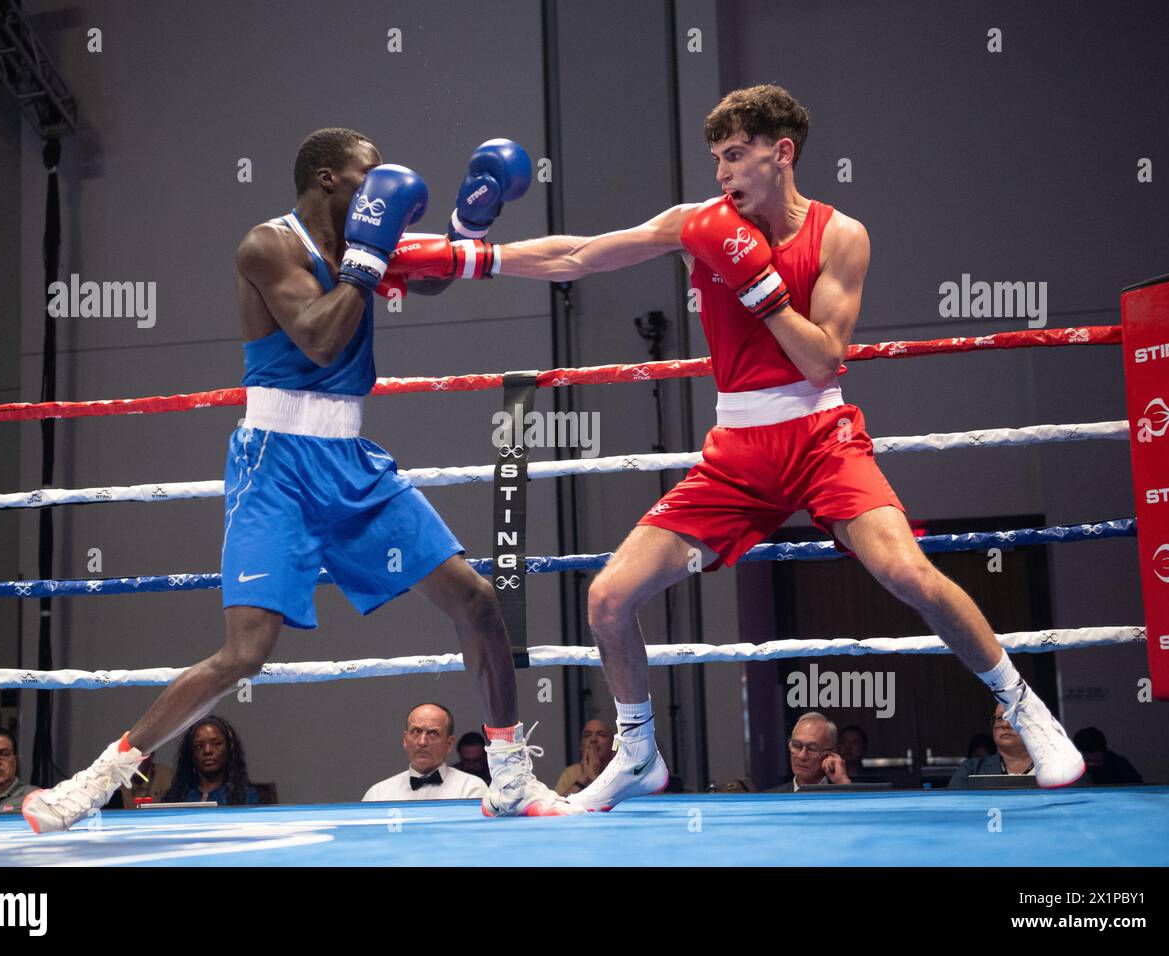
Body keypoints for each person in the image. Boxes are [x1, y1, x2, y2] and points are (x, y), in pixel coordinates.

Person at [383, 84, 1085, 809]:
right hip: (736, 452)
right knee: (608, 598)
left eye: (737, 156)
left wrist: (761, 288)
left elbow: (821, 360)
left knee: (908, 573)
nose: (722, 174)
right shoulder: (699, 223)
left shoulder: (842, 234)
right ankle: (638, 749)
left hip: (819, 436)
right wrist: (468, 259)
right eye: (717, 158)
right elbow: (580, 255)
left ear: (782, 154)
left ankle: (1028, 710)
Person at [23, 130, 578, 833]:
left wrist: (473, 218)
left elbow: (434, 275)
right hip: (275, 463)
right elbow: (318, 336)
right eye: (365, 178)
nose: (380, 195)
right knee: (246, 653)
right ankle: (94, 782)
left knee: (475, 599)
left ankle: (510, 779)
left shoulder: (362, 242)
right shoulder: (267, 246)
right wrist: (370, 257)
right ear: (324, 180)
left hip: (349, 459)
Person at [363, 704, 488, 801]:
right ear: (405, 740)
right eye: (416, 732)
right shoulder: (378, 794)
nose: (422, 742)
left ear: (449, 744)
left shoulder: (471, 789)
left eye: (433, 733)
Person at [162, 716, 260, 805]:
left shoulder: (247, 796)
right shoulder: (176, 797)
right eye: (199, 746)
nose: (207, 751)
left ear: (229, 748)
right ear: (191, 753)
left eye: (216, 744)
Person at [949, 701, 1034, 787]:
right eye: (999, 718)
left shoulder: (1047, 767)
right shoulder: (971, 769)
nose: (1005, 724)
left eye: (1015, 717)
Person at [766, 713, 851, 792]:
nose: (802, 756)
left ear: (831, 754)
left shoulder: (845, 792)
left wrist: (843, 782)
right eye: (796, 745)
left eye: (812, 749)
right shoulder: (770, 800)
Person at [554, 719, 616, 795]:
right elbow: (559, 805)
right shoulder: (570, 772)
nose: (593, 740)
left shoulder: (620, 772)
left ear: (613, 745)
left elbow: (614, 803)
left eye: (601, 735)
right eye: (587, 735)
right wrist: (583, 778)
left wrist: (593, 777)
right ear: (581, 746)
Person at [1072, 727, 1143, 785]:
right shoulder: (1077, 767)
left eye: (1088, 752)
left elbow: (1136, 785)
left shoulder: (1118, 763)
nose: (1086, 757)